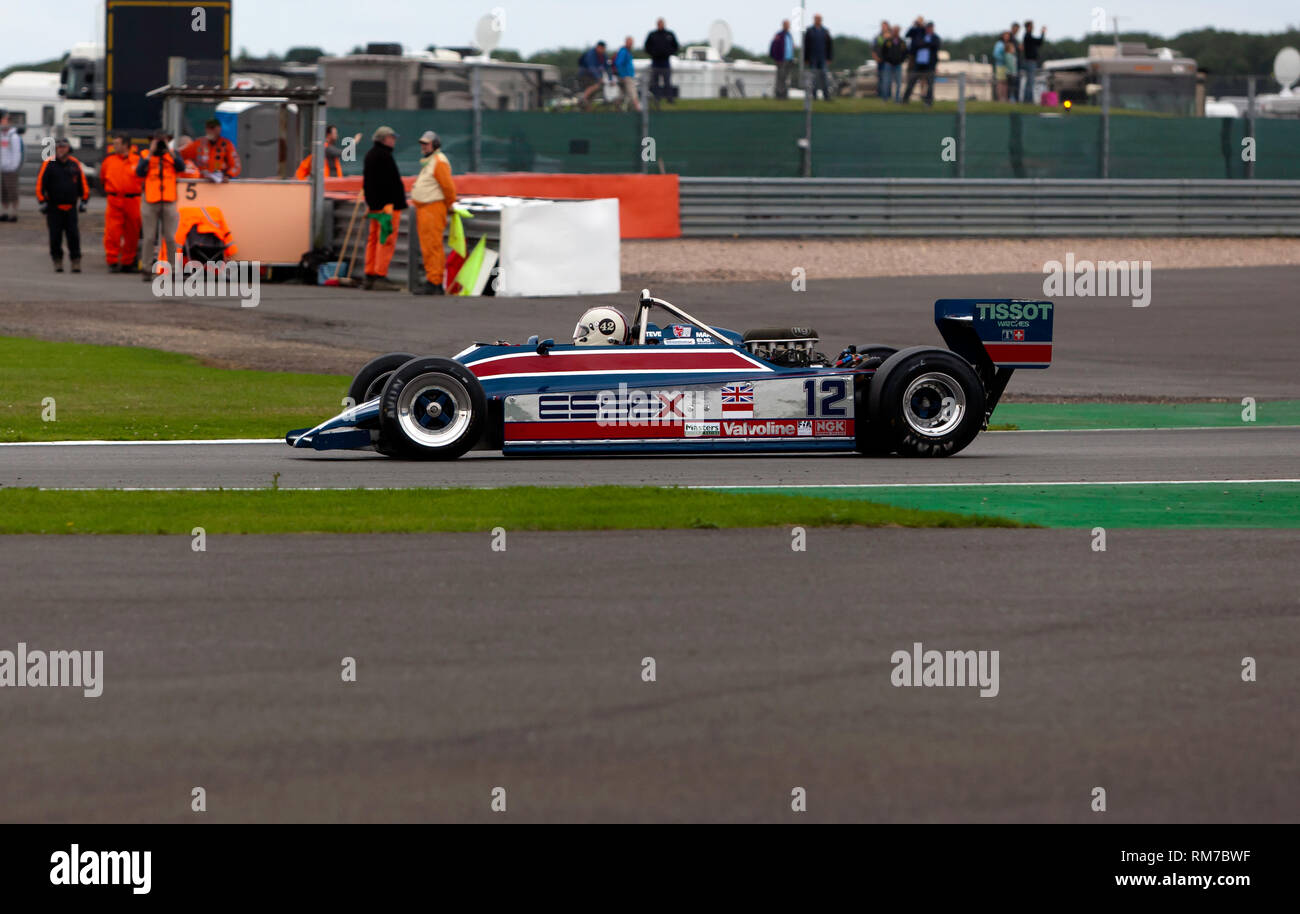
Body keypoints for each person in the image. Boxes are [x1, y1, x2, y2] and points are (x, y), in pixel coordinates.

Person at [135, 130, 187, 280]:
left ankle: (173, 269)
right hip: (150, 200)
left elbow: (181, 168)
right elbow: (139, 172)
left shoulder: (173, 154)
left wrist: (169, 152)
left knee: (170, 237)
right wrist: (151, 153)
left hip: (169, 199)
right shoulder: (145, 154)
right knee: (149, 237)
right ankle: (146, 269)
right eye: (157, 141)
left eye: (163, 141)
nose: (160, 144)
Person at [410, 130, 457, 296]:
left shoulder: (439, 161)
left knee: (433, 245)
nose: (423, 147)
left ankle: (435, 281)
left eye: (426, 144)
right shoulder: (430, 161)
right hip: (425, 208)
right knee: (427, 246)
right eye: (422, 144)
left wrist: (450, 203)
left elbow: (448, 187)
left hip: (433, 207)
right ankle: (432, 279)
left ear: (435, 145)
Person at [361, 125, 407, 292]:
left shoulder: (370, 155)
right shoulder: (384, 156)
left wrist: (371, 204)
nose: (394, 140)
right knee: (386, 240)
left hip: (374, 207)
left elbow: (369, 183)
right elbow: (389, 183)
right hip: (387, 207)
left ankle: (370, 273)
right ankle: (380, 275)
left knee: (373, 239)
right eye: (392, 137)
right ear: (384, 139)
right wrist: (391, 203)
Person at [35, 138, 90, 273]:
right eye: (58, 147)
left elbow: (83, 184)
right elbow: (40, 184)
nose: (61, 149)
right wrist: (42, 201)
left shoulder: (75, 164)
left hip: (71, 208)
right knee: (55, 236)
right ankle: (57, 260)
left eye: (63, 147)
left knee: (73, 236)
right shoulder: (49, 164)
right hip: (54, 208)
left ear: (68, 148)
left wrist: (84, 200)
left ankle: (75, 261)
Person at [100, 132, 142, 273]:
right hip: (114, 200)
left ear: (125, 145)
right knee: (112, 232)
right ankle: (112, 261)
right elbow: (102, 178)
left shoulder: (137, 160)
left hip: (133, 200)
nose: (114, 146)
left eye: (117, 144)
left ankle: (127, 262)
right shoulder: (109, 161)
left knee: (132, 232)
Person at [903, 21, 940, 105]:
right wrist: (915, 25)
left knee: (930, 85)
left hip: (930, 66)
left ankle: (928, 102)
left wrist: (924, 44)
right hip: (918, 65)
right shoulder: (920, 35)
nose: (930, 29)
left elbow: (935, 45)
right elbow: (915, 44)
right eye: (928, 28)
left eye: (931, 28)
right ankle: (905, 100)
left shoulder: (935, 37)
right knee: (911, 83)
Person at [644, 18, 679, 104]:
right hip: (655, 63)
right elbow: (646, 47)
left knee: (667, 82)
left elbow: (675, 46)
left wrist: (668, 52)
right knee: (655, 83)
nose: (660, 25)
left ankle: (669, 99)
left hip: (665, 63)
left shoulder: (669, 34)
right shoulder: (652, 35)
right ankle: (657, 98)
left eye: (661, 23)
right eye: (659, 24)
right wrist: (653, 53)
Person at [803, 14, 834, 101]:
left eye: (819, 19)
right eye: (816, 19)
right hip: (813, 58)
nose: (818, 20)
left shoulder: (825, 31)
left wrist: (829, 58)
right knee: (814, 78)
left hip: (823, 57)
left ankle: (826, 96)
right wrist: (806, 58)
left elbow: (829, 45)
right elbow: (806, 46)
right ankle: (814, 96)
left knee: (824, 76)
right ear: (814, 20)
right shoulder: (809, 31)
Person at [0, 110, 23, 223]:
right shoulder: (1, 136)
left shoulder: (13, 137)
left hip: (10, 170)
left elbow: (16, 153)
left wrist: (13, 166)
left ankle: (14, 214)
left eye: (3, 120)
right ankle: (4, 212)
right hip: (2, 169)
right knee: (3, 193)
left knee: (12, 192)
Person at [613, 37, 642, 112]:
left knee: (622, 94)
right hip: (626, 76)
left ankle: (617, 108)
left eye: (632, 42)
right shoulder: (624, 51)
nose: (631, 44)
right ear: (626, 42)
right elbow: (618, 63)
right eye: (630, 42)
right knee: (633, 92)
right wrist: (623, 74)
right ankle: (638, 110)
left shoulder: (627, 51)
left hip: (626, 75)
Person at [579, 41, 610, 109]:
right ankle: (583, 98)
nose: (603, 50)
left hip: (594, 76)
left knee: (596, 90)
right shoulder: (591, 54)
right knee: (597, 85)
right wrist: (599, 77)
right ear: (598, 47)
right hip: (585, 74)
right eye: (602, 48)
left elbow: (607, 67)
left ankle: (588, 107)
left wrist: (610, 78)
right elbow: (591, 67)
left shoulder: (603, 56)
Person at [1021, 21, 1046, 104]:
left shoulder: (1028, 36)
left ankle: (1027, 100)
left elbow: (1038, 43)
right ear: (1028, 27)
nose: (1033, 28)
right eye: (1032, 26)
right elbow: (1039, 42)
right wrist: (1042, 33)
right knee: (1030, 82)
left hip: (1030, 61)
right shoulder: (1028, 36)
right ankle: (1028, 100)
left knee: (1029, 81)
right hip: (1030, 61)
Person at [769, 20, 795, 100]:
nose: (787, 26)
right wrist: (776, 58)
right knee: (780, 78)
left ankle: (785, 94)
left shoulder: (789, 35)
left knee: (786, 78)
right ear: (783, 25)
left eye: (788, 25)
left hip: (789, 60)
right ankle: (779, 95)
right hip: (781, 60)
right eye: (786, 25)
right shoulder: (779, 35)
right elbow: (773, 46)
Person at [880, 25, 907, 102]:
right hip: (888, 64)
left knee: (898, 83)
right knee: (886, 82)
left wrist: (901, 61)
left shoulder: (902, 42)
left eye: (897, 31)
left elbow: (905, 53)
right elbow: (883, 52)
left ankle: (897, 99)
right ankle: (885, 99)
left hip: (898, 65)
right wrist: (887, 60)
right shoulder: (888, 41)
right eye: (894, 30)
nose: (896, 32)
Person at [872, 20, 891, 99]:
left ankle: (888, 95)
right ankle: (880, 94)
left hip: (889, 61)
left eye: (885, 26)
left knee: (888, 78)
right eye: (883, 26)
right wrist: (876, 57)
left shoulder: (891, 37)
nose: (884, 28)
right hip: (880, 60)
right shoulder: (878, 37)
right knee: (880, 77)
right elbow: (873, 48)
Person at [1004, 32, 1020, 103]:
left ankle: (1011, 99)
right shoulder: (1009, 56)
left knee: (1011, 87)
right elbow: (1011, 66)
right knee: (1012, 87)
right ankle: (1011, 99)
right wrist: (1014, 73)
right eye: (1013, 48)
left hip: (1010, 73)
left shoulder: (1010, 56)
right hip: (1011, 74)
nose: (1014, 49)